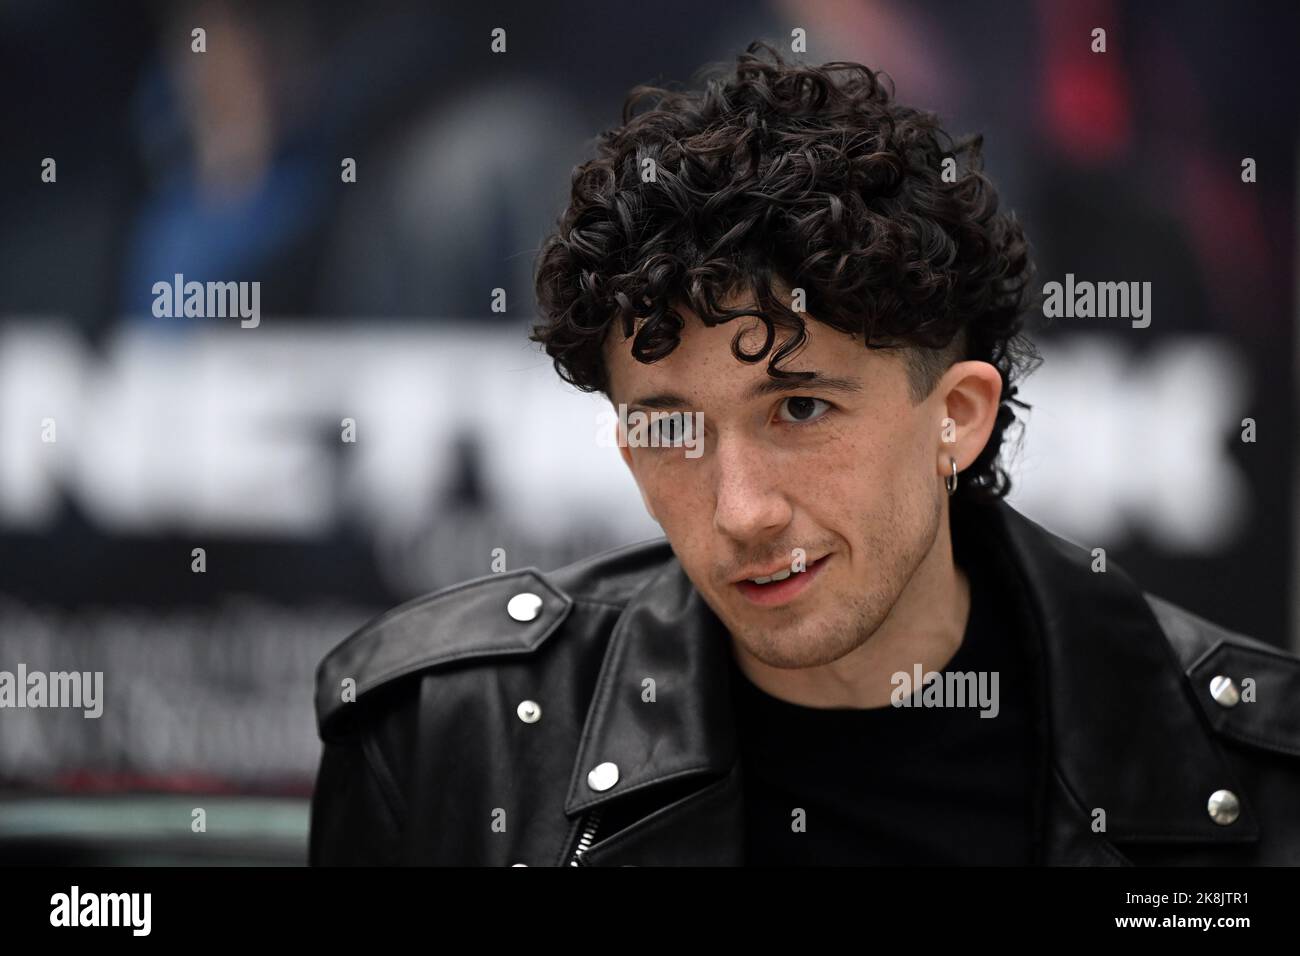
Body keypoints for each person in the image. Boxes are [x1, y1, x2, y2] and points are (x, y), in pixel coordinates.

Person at [308, 40, 1300, 866]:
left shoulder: (1245, 761)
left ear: (955, 416)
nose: (741, 511)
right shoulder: (448, 736)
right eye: (669, 426)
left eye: (799, 408)